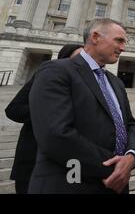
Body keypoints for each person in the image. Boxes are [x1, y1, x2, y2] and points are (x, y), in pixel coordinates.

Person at [28, 18, 135, 193]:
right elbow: (55, 134)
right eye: (119, 40)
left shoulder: (116, 83)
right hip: (69, 184)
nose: (123, 48)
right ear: (95, 37)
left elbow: (131, 125)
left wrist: (131, 156)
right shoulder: (55, 71)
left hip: (115, 185)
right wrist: (115, 164)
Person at [5, 44, 83, 194]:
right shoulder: (44, 76)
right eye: (79, 57)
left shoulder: (86, 85)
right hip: (33, 157)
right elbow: (14, 110)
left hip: (71, 164)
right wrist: (52, 113)